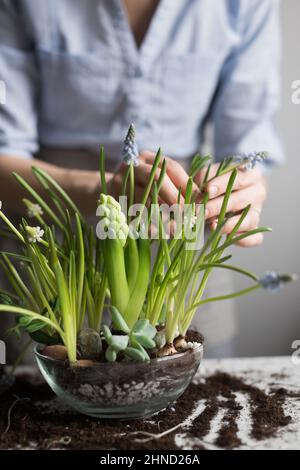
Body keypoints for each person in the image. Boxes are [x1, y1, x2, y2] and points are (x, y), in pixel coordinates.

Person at [0, 0, 282, 360]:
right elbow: (4, 150)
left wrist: (239, 190)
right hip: (55, 244)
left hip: (181, 247)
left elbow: (250, 147)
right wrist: (108, 191)